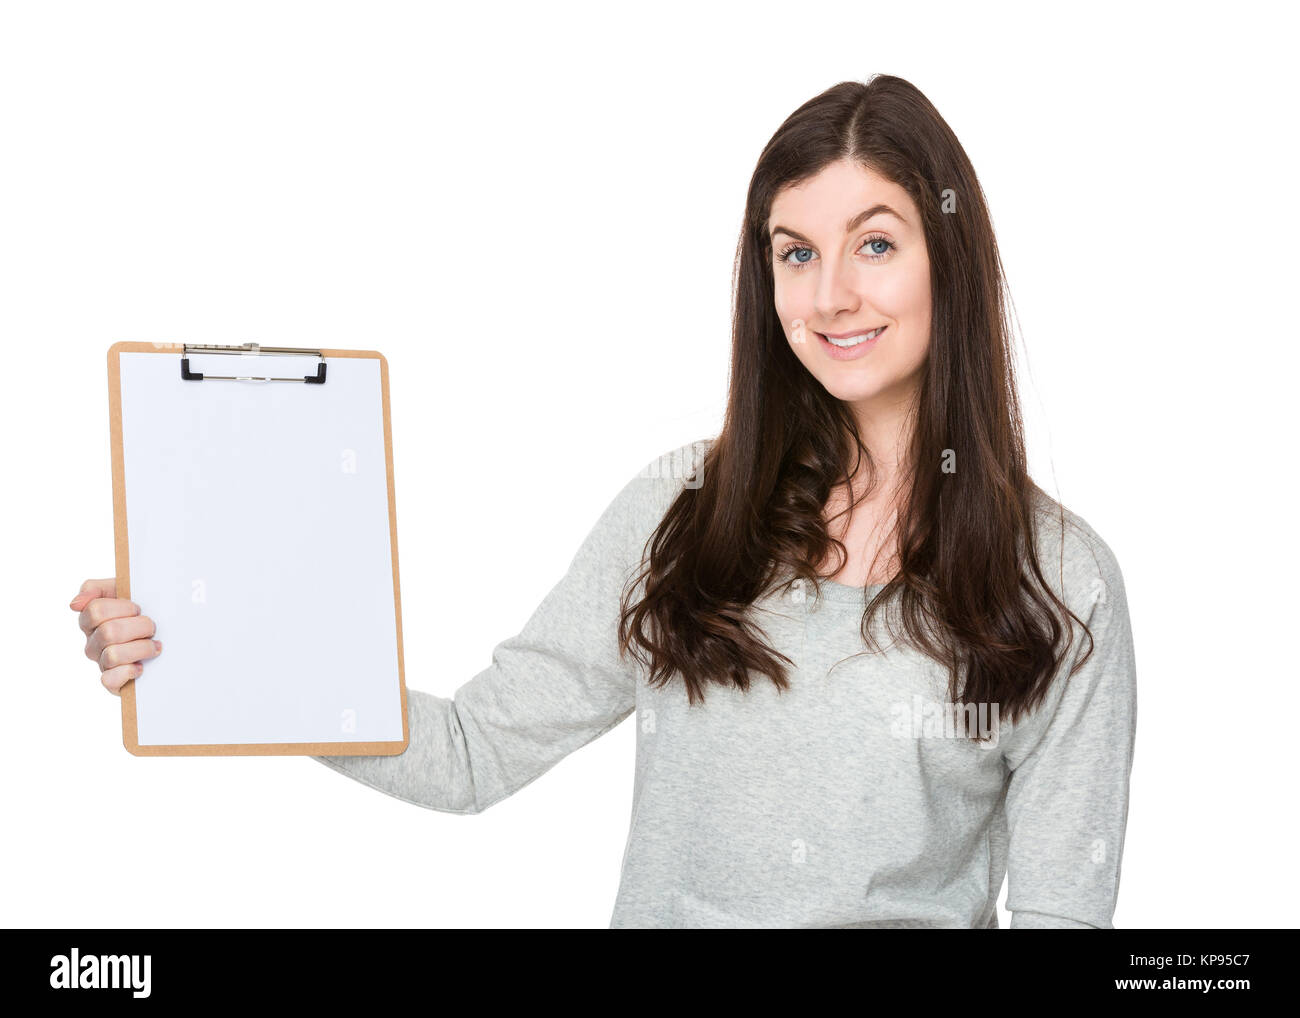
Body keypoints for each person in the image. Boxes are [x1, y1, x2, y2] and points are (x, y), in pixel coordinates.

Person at [70, 74, 1137, 929]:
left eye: (874, 243)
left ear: (947, 256)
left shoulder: (1061, 583)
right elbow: (474, 753)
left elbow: (1057, 913)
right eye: (794, 253)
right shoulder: (685, 509)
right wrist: (214, 647)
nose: (829, 297)